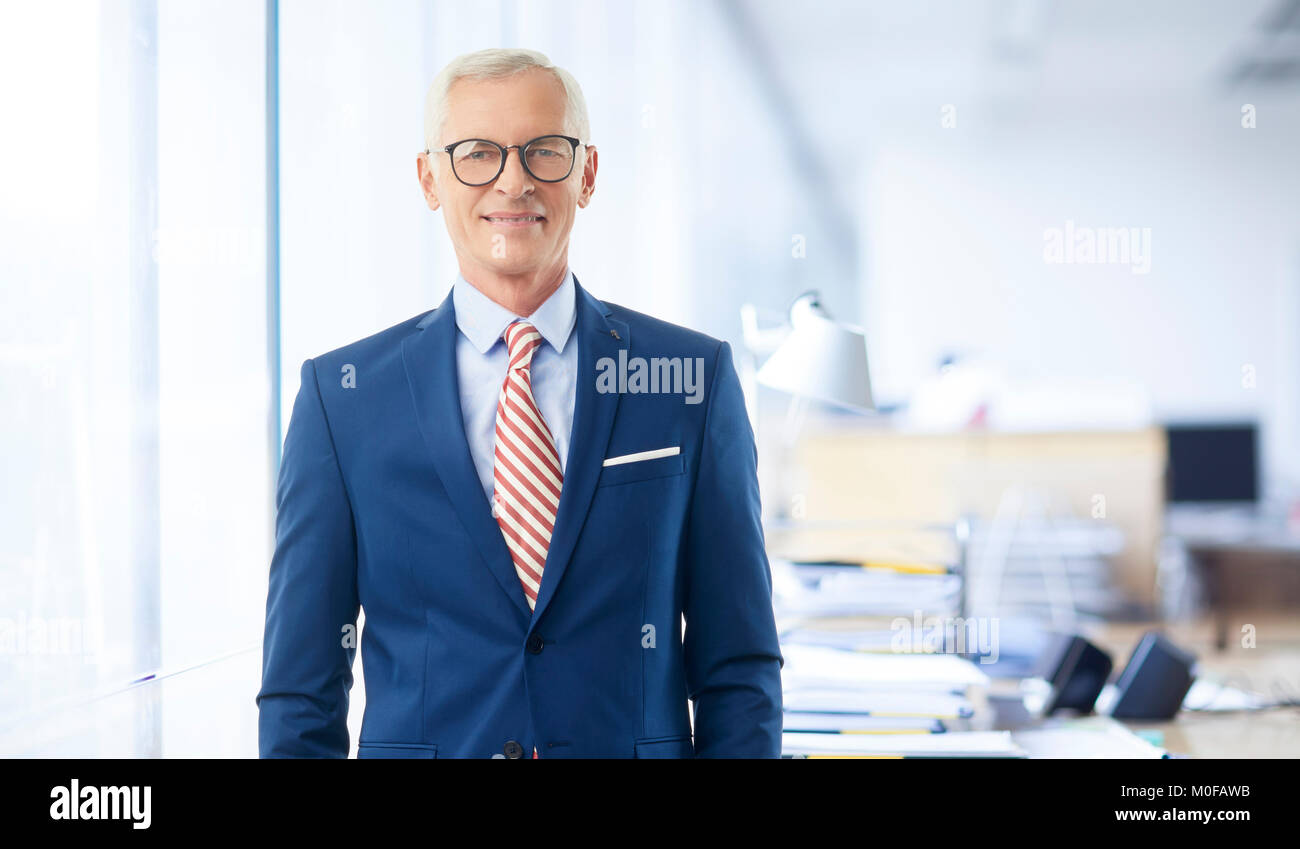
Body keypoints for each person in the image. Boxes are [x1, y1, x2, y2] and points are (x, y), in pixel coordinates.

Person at [256, 47, 783, 758]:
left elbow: (738, 668)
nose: (513, 181)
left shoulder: (692, 378)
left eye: (544, 152)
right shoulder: (341, 399)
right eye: (478, 154)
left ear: (587, 173)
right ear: (430, 178)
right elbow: (301, 693)